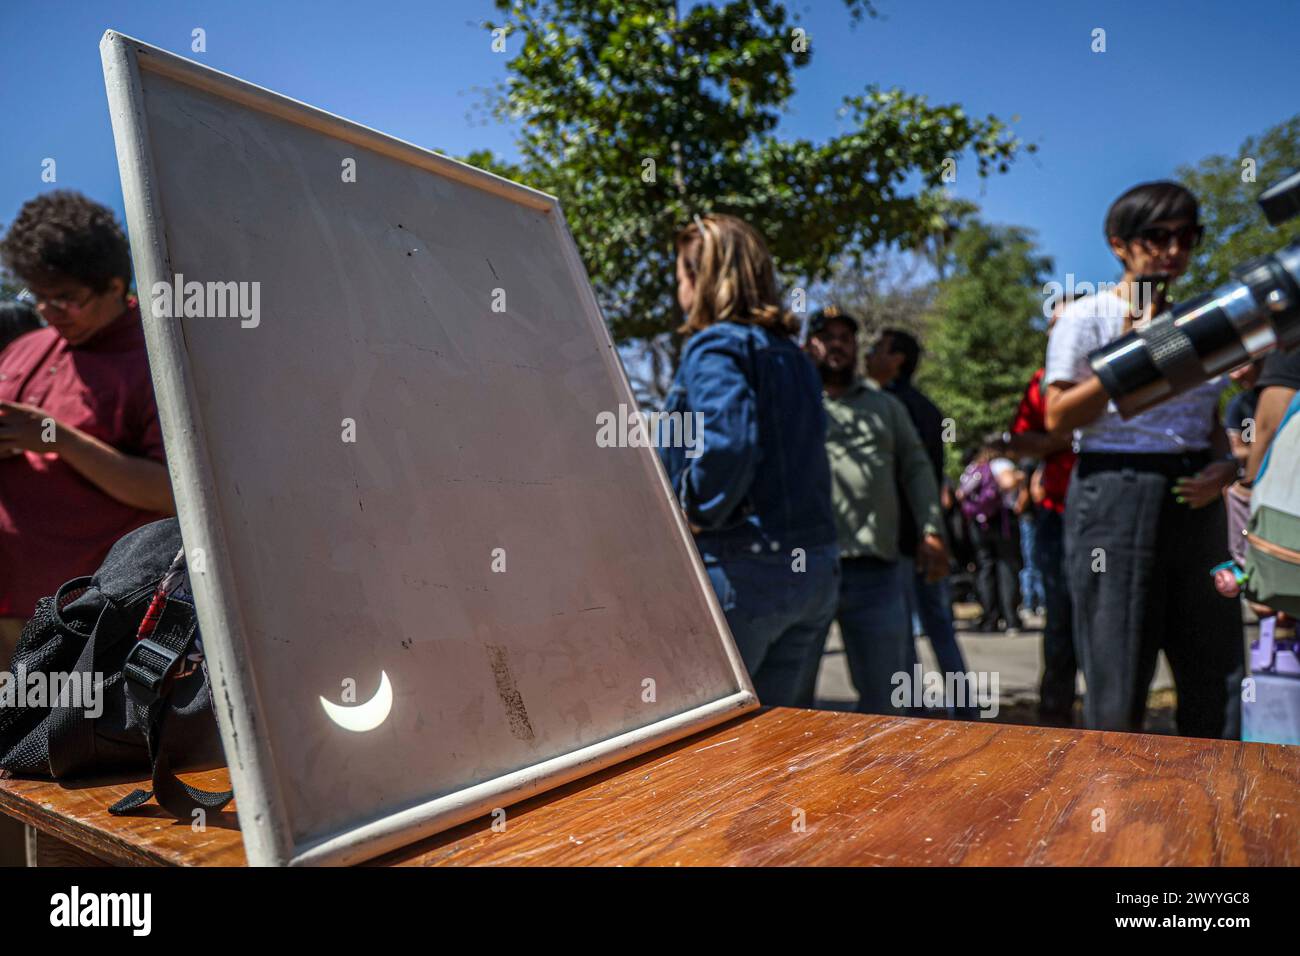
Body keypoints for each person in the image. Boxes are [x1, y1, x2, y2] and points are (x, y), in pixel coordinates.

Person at [1045, 181, 1243, 739]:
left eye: (1187, 236)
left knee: (1216, 669)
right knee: (1119, 671)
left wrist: (1226, 465)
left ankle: (1217, 808)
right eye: (1158, 237)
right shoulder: (1087, 317)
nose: (1173, 249)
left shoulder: (1198, 324)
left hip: (1193, 493)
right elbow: (1058, 418)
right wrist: (1133, 353)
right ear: (1119, 245)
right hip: (1116, 491)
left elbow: (1205, 420)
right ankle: (1108, 811)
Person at [657, 214, 839, 707]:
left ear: (702, 278)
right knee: (780, 748)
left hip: (742, 568)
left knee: (702, 747)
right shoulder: (794, 356)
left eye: (679, 277)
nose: (678, 291)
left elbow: (729, 443)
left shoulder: (714, 345)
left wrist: (697, 511)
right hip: (813, 569)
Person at [805, 309, 948, 715]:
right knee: (787, 701)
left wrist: (931, 530)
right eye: (825, 336)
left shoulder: (885, 407)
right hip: (805, 570)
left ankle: (886, 778)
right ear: (809, 345)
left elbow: (918, 468)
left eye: (845, 337)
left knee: (889, 702)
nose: (837, 344)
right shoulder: (794, 404)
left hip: (876, 572)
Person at [866, 326, 973, 717]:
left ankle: (915, 716)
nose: (869, 355)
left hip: (900, 541)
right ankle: (965, 711)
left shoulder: (883, 407)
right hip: (929, 538)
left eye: (878, 349)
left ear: (897, 360)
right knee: (940, 627)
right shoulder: (928, 408)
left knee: (903, 635)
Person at [1007, 296, 1079, 724]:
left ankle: (1120, 724)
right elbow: (1021, 441)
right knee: (1060, 621)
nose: (1060, 331)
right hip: (1057, 515)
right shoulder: (1039, 383)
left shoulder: (1118, 375)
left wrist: (1056, 438)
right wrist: (1062, 439)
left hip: (1113, 519)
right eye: (1054, 324)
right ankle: (1055, 720)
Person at [958, 440, 1022, 633]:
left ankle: (990, 618)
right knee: (1006, 566)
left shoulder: (973, 468)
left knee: (985, 567)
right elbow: (1008, 482)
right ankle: (1011, 619)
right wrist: (1021, 478)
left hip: (978, 523)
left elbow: (960, 494)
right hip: (1001, 521)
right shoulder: (1001, 465)